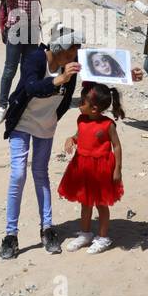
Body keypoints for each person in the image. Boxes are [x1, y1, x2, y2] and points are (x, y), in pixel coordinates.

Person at [0, 25, 143, 259]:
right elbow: (30, 86)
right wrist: (59, 80)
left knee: (40, 173)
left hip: (45, 125)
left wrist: (131, 75)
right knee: (18, 174)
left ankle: (47, 229)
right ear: (59, 48)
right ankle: (10, 234)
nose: (75, 56)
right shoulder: (35, 58)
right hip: (21, 122)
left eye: (77, 51)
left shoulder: (74, 64)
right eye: (71, 51)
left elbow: (104, 70)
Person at [59, 83, 125, 254]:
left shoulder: (108, 125)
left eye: (82, 101)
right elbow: (78, 135)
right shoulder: (81, 120)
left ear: (94, 108)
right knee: (85, 202)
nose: (79, 103)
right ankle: (85, 234)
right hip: (82, 166)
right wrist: (70, 139)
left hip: (101, 168)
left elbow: (116, 146)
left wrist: (117, 168)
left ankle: (103, 238)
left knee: (102, 204)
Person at [0, 0, 57, 124]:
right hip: (16, 30)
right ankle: (2, 104)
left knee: (28, 68)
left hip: (32, 31)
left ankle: (22, 99)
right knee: (10, 69)